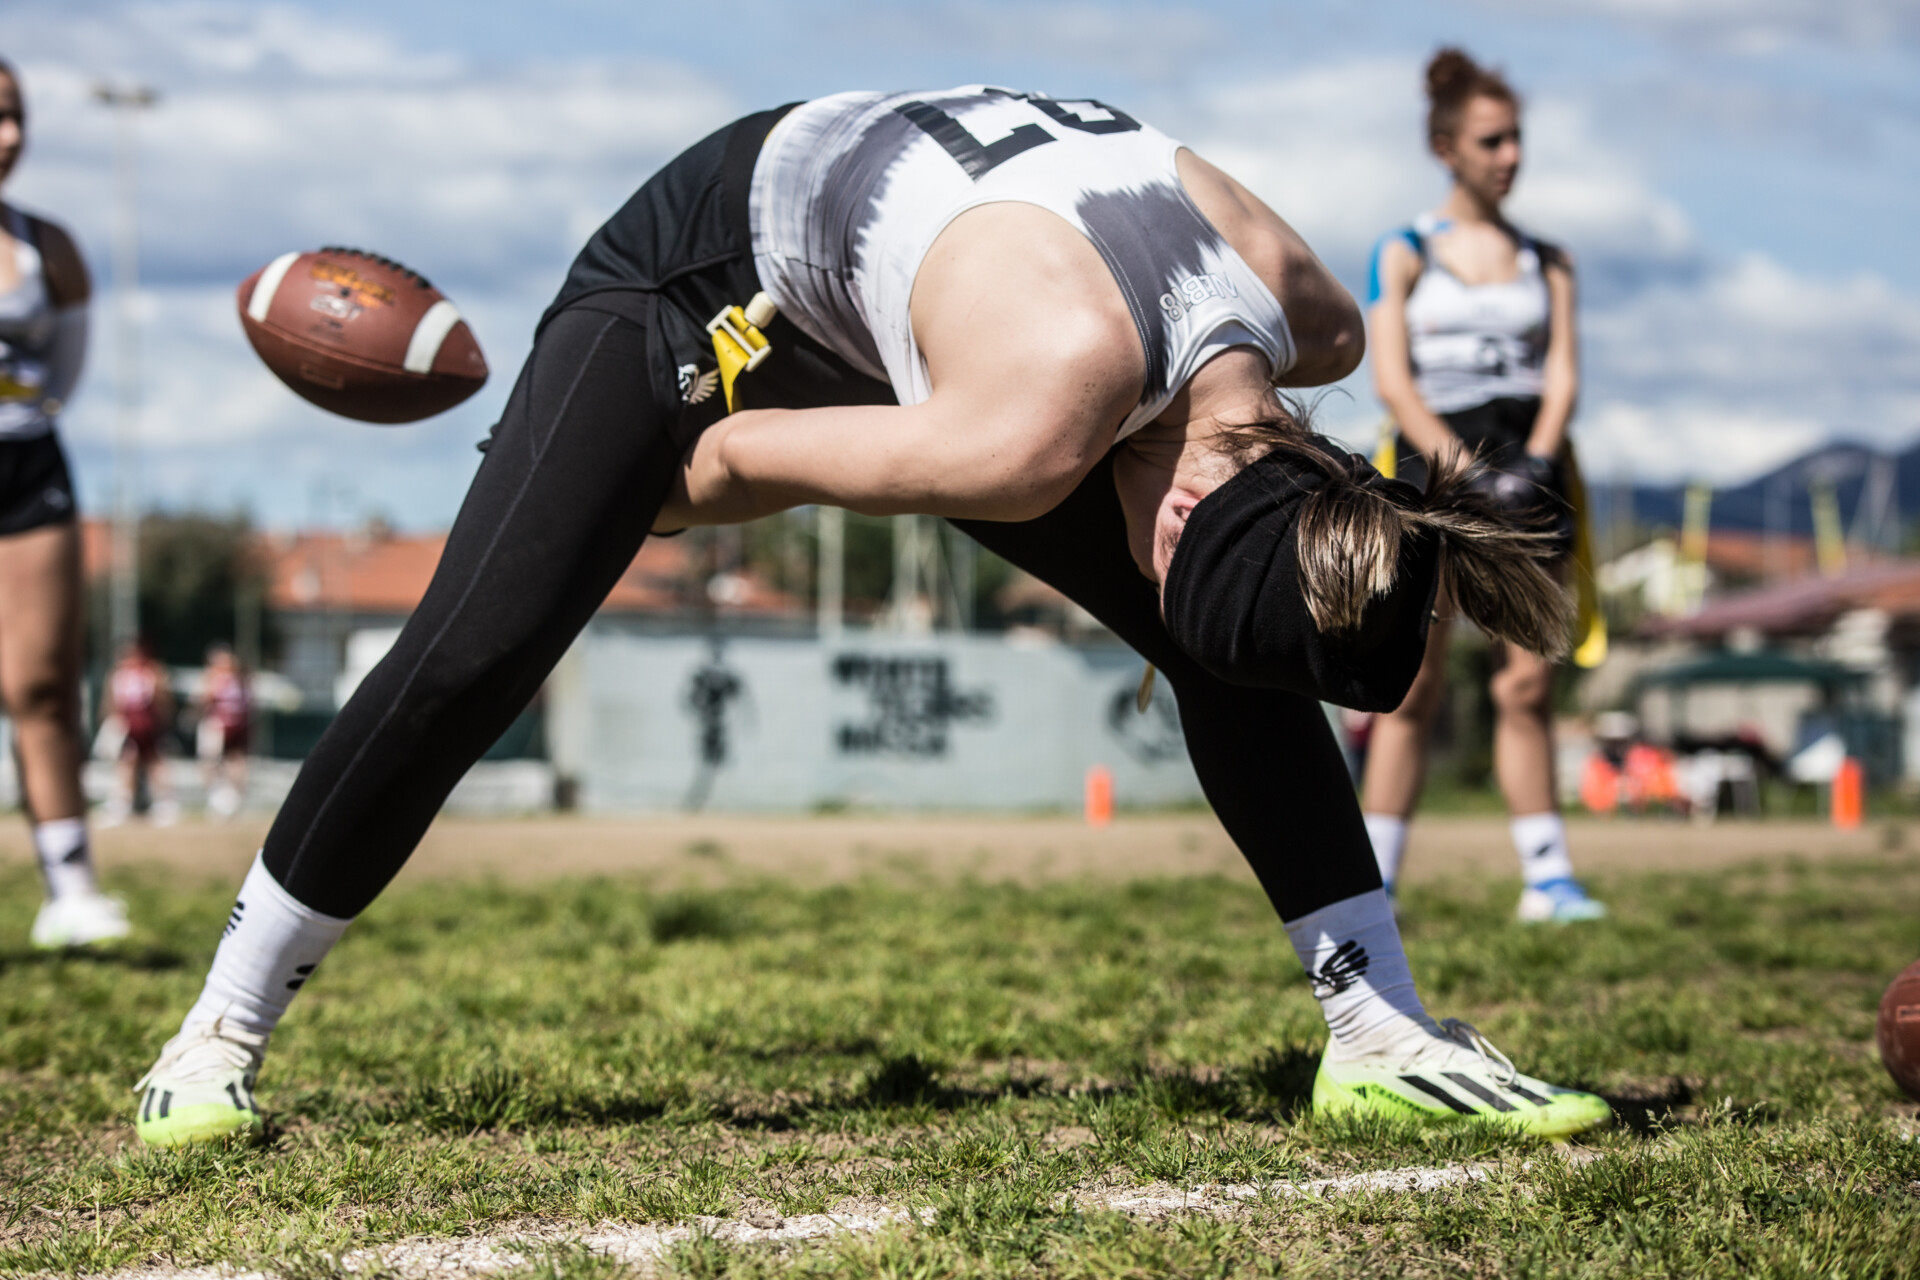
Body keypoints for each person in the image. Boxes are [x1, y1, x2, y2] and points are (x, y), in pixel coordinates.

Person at [133, 87, 1610, 1146]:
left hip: (952, 290)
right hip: (711, 270)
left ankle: (1378, 1027)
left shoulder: (1306, 319)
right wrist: (564, 497)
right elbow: (728, 463)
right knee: (477, 648)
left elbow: (1245, 510)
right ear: (1174, 513)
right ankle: (214, 1035)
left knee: (1240, 635)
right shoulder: (1030, 423)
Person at [1358, 50, 1606, 924]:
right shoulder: (1404, 251)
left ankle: (1549, 879)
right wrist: (1463, 476)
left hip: (1532, 467)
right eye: (1492, 140)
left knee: (1528, 684)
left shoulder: (1550, 259)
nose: (1511, 156)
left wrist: (1532, 463)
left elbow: (1562, 374)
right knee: (1410, 683)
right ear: (1446, 148)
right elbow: (1393, 382)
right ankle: (1375, 881)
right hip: (1434, 467)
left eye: (1517, 139)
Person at [0, 60, 128, 949]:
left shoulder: (50, 246)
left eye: (15, 115)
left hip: (26, 464)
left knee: (41, 683)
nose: (9, 135)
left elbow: (63, 376)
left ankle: (71, 890)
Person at [101, 637, 179, 826]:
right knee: (127, 764)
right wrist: (111, 725)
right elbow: (111, 702)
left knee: (155, 763)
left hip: (149, 725)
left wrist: (162, 724)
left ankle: (165, 804)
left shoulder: (153, 673)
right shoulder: (118, 675)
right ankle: (121, 804)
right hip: (127, 726)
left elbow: (163, 700)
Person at [195, 642, 252, 819]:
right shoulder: (242, 679)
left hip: (219, 727)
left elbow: (203, 700)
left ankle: (226, 800)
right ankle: (228, 799)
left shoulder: (219, 679)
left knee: (214, 764)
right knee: (229, 762)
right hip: (233, 727)